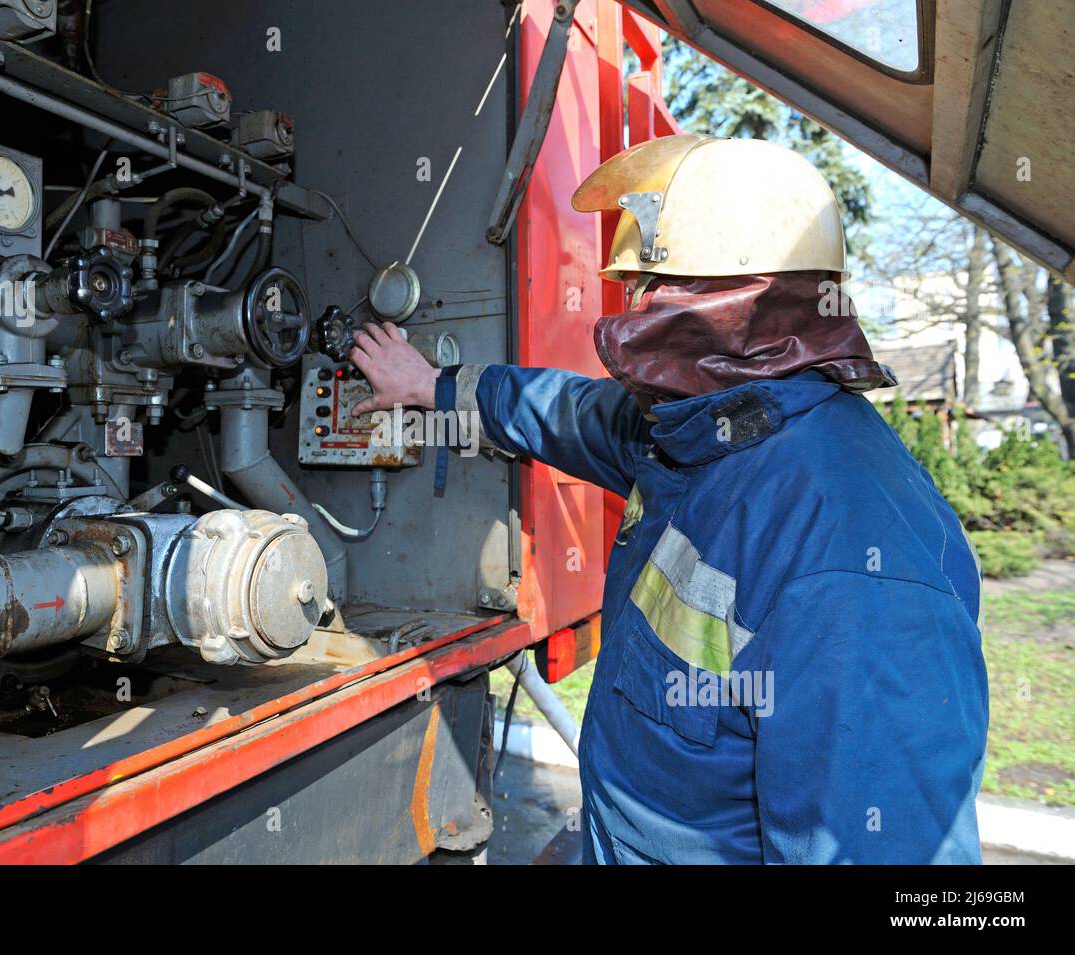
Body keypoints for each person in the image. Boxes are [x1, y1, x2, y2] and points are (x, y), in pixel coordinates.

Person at [347, 133, 989, 864]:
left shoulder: (855, 568)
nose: (633, 311)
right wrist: (434, 388)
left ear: (728, 306)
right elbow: (566, 412)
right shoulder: (694, 435)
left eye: (648, 291)